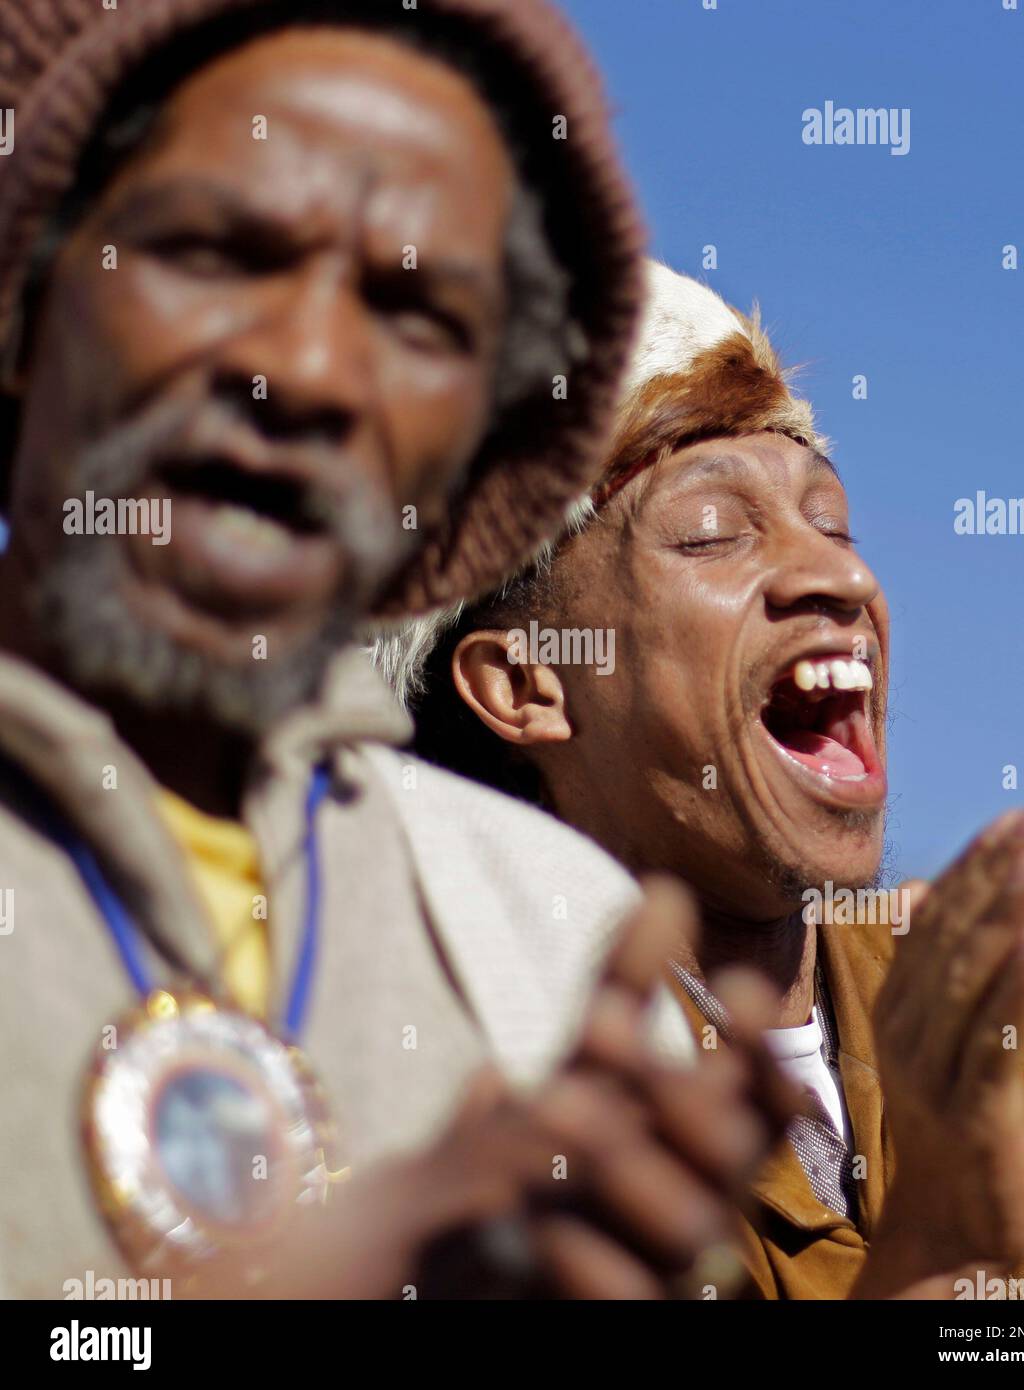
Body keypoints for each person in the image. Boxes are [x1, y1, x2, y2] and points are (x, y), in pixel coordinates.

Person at [0, 2, 790, 1299]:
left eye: (416, 314)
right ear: (29, 300)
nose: (304, 366)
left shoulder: (561, 942)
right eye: (212, 250)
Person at [381, 260, 1024, 1298]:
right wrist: (931, 1258)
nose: (841, 577)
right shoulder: (495, 1106)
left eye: (832, 522)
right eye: (713, 533)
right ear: (524, 685)